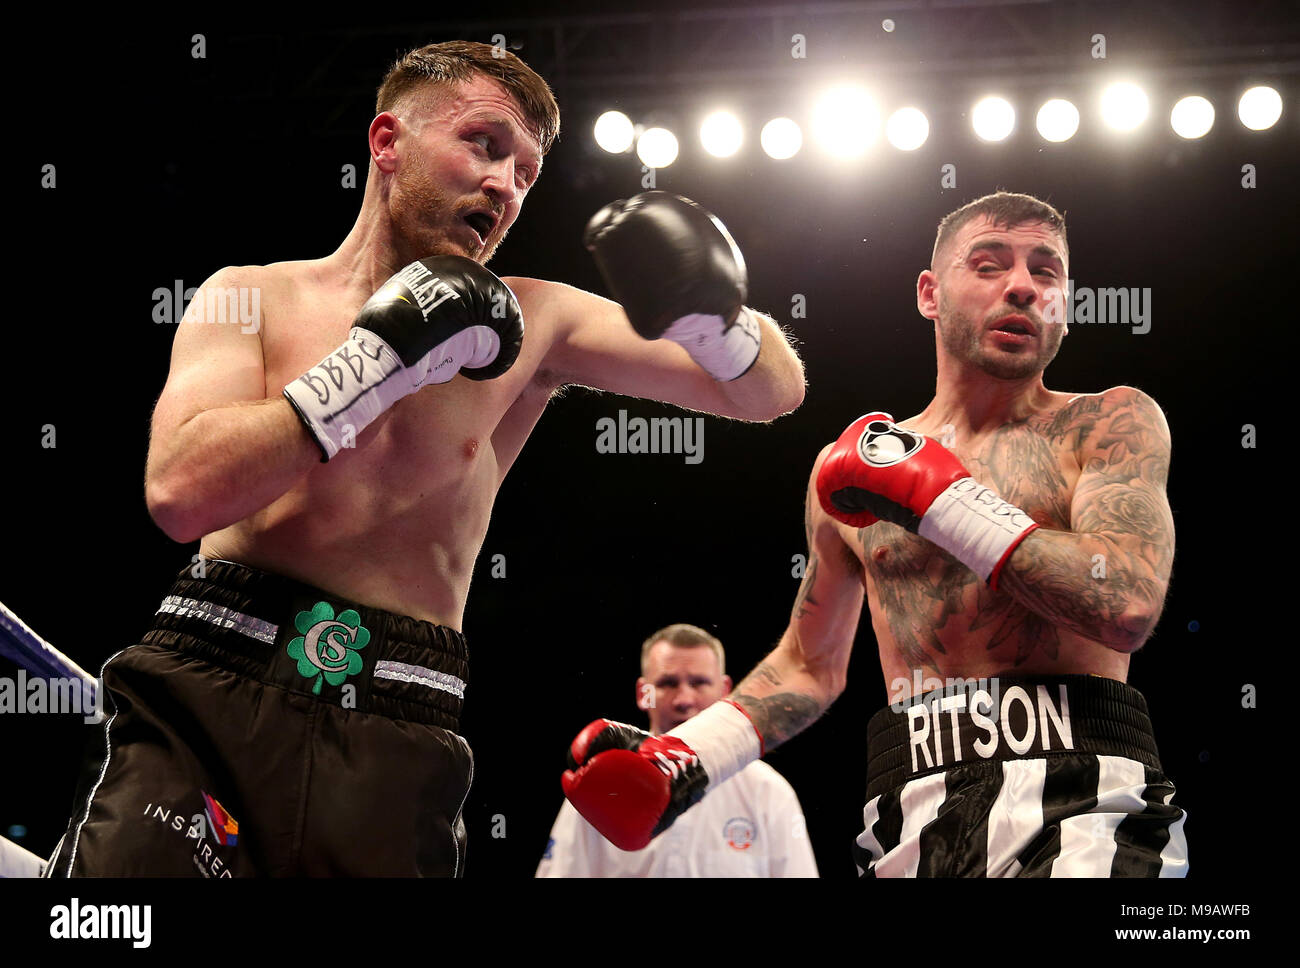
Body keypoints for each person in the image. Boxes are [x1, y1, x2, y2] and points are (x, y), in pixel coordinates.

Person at [45, 40, 804, 877]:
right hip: (212, 681)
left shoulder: (534, 322)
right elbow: (181, 494)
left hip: (397, 712)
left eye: (525, 173)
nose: (504, 186)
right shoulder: (249, 295)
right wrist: (378, 363)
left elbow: (769, 393)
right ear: (386, 142)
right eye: (485, 145)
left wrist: (715, 315)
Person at [563, 192, 1189, 878]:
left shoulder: (1108, 423)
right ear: (929, 293)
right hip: (907, 807)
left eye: (1047, 272)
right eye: (989, 264)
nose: (1022, 285)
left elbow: (1125, 601)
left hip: (1082, 799)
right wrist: (688, 755)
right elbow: (810, 666)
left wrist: (942, 500)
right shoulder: (853, 472)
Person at [537, 624, 817, 877]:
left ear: (725, 691)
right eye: (668, 684)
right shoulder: (600, 786)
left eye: (699, 683)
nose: (684, 699)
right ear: (642, 693)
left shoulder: (767, 792)